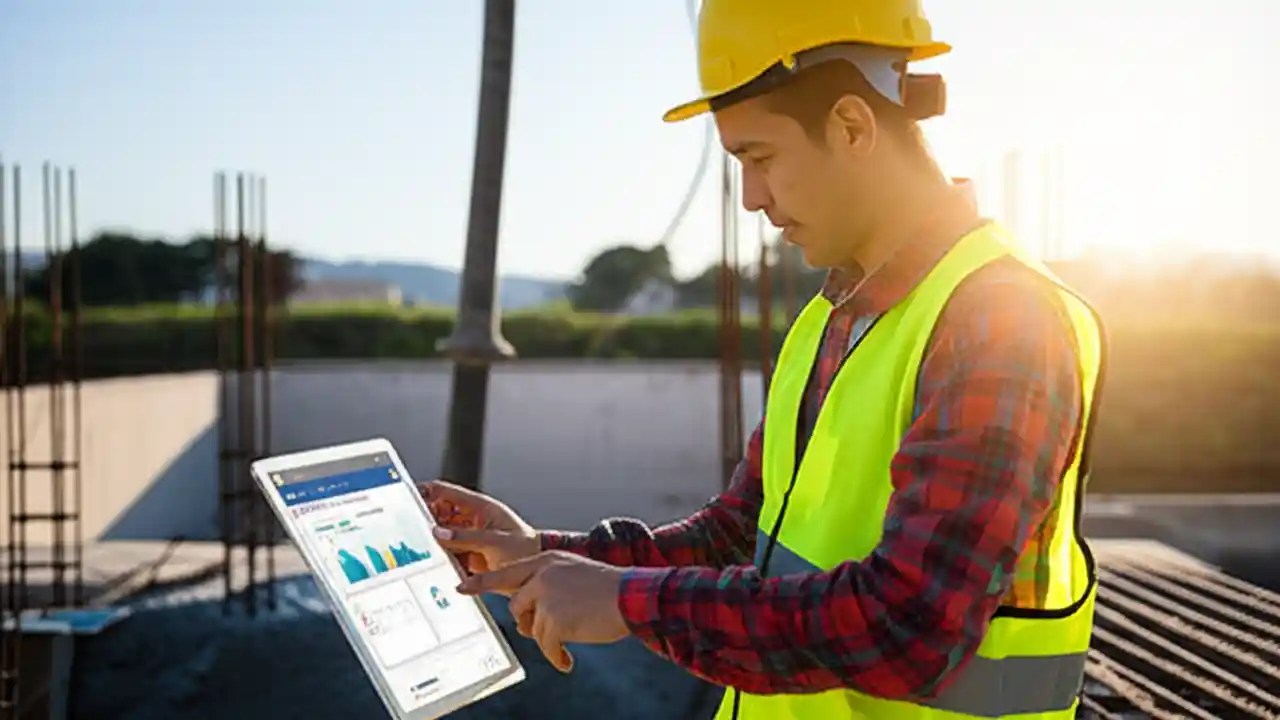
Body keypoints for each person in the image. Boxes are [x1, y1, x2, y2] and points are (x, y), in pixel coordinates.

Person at [421, 2, 1107, 718]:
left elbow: (909, 627)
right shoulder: (829, 320)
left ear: (851, 127)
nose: (752, 199)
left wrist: (629, 602)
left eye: (760, 157)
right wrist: (542, 552)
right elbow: (737, 535)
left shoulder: (1001, 321)